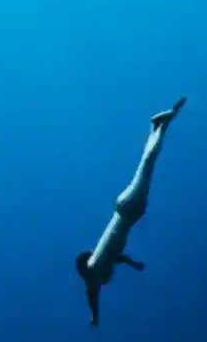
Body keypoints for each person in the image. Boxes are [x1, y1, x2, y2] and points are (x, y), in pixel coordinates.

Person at [75, 96, 187, 326]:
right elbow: (121, 259)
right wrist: (134, 265)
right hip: (131, 213)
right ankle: (157, 127)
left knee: (147, 166)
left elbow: (92, 294)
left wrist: (94, 316)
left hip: (127, 210)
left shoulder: (93, 269)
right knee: (145, 166)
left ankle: (160, 124)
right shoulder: (106, 260)